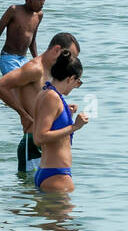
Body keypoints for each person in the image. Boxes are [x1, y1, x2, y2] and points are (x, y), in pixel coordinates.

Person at [0, 32, 81, 176]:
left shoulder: (52, 71)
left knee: (44, 194)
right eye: (68, 55)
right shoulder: (34, 68)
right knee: (32, 193)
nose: (70, 60)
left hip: (45, 144)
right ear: (57, 50)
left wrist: (63, 110)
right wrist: (24, 114)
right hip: (32, 141)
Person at [32, 50, 89, 192]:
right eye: (77, 82)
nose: (76, 86)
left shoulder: (46, 92)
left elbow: (50, 125)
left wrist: (66, 114)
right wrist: (75, 126)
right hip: (57, 175)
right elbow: (40, 137)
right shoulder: (52, 97)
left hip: (50, 172)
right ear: (70, 78)